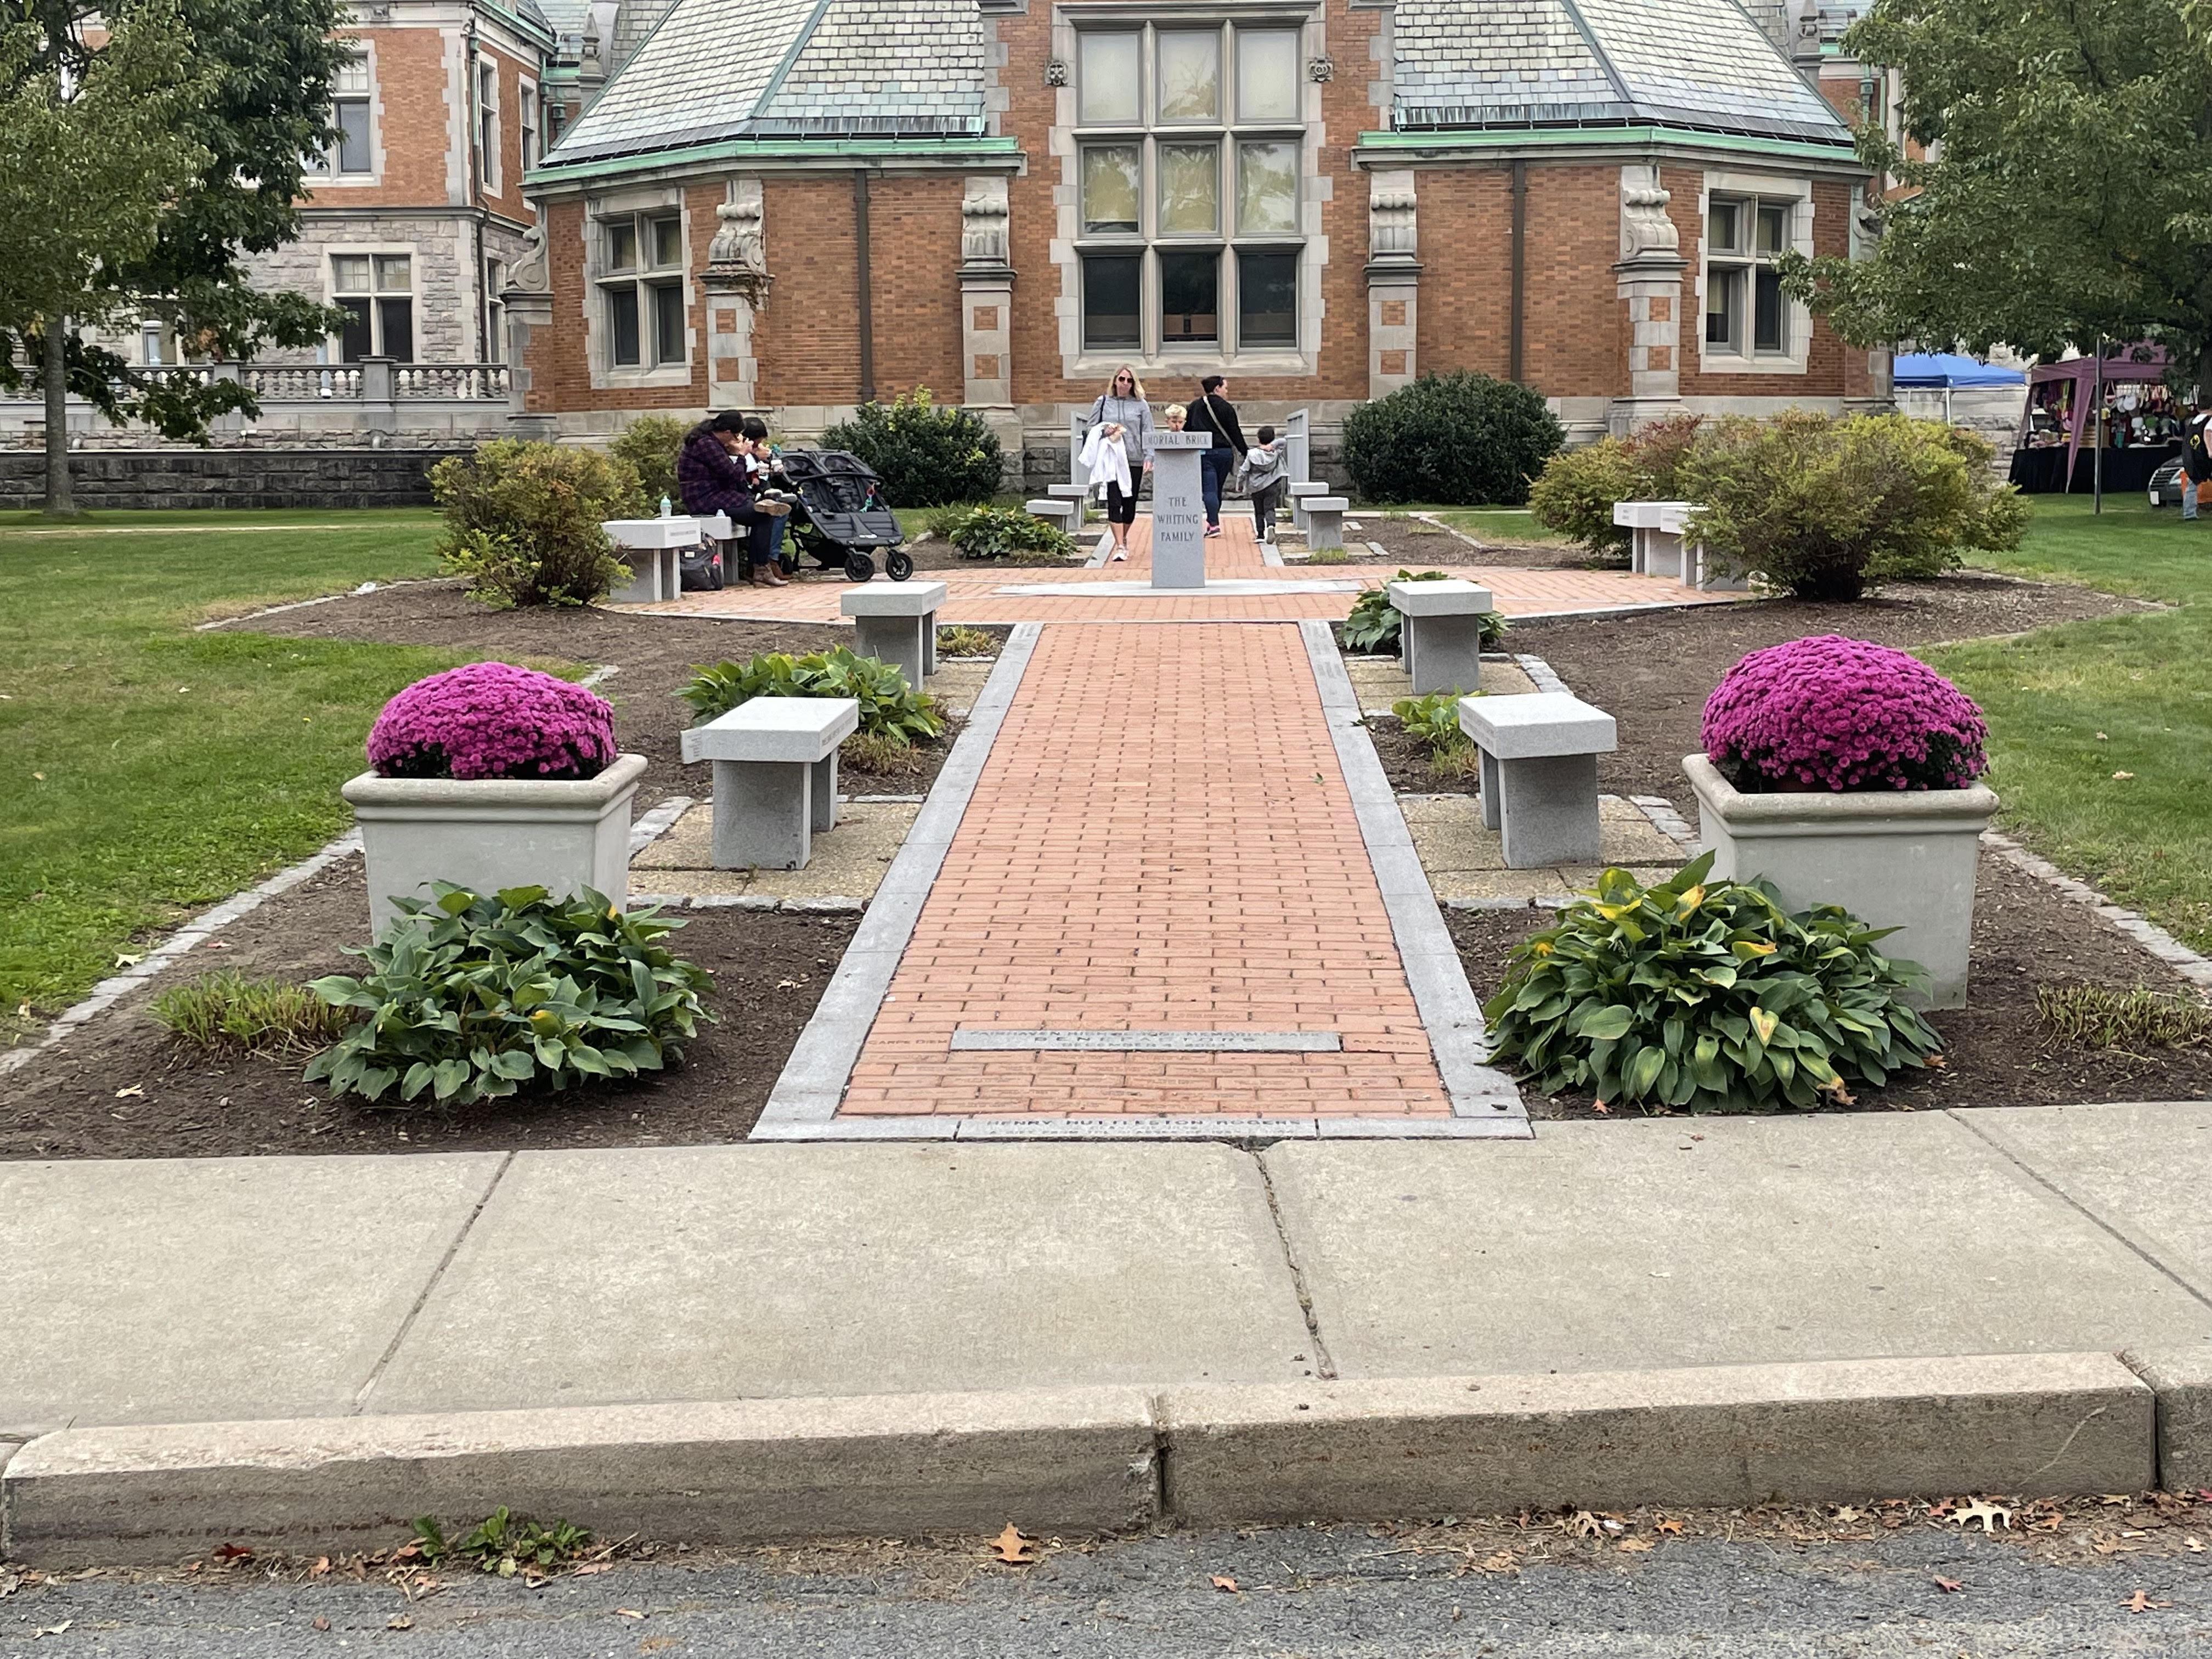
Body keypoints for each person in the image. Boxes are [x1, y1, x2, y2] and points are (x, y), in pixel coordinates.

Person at [676, 411, 789, 587]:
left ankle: (758, 569)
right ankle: (760, 571)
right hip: (705, 498)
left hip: (715, 494)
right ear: (727, 432)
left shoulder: (709, 442)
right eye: (736, 435)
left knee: (760, 511)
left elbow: (732, 476)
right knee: (763, 515)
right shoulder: (707, 445)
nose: (737, 439)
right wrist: (742, 455)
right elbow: (734, 476)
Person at [1082, 366, 1154, 561]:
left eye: (1129, 380)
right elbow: (1090, 428)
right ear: (1115, 380)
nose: (1125, 383)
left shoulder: (1141, 405)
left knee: (1130, 502)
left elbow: (1148, 431)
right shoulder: (1103, 402)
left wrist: (1149, 456)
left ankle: (1123, 537)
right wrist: (1103, 431)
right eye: (1122, 379)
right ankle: (1120, 546)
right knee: (1114, 501)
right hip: (1112, 459)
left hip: (1134, 459)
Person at [1182, 375, 1248, 538]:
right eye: (1225, 388)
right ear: (1217, 388)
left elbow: (1187, 430)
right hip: (1224, 454)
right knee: (1217, 488)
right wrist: (1246, 451)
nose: (1227, 391)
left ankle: (1213, 524)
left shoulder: (1195, 406)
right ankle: (1213, 521)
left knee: (1209, 489)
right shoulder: (1226, 408)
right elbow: (1235, 432)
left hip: (1204, 453)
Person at [738, 416, 795, 572]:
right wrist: (757, 458)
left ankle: (771, 559)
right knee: (774, 514)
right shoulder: (744, 454)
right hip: (749, 496)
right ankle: (769, 560)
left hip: (758, 493)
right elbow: (748, 476)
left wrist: (770, 468)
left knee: (780, 510)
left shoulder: (752, 454)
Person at [1244, 424, 1286, 545]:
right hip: (1272, 485)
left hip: (1256, 487)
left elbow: (1244, 470)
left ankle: (1260, 534)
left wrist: (1240, 483)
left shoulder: (1252, 454)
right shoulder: (1276, 452)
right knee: (1269, 508)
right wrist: (1273, 445)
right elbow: (1284, 441)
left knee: (1259, 511)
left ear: (1258, 439)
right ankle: (1271, 525)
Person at [2186, 404, 2211, 524]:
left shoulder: (2194, 422)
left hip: (2192, 455)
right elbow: (2208, 432)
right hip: (2205, 455)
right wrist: (2210, 450)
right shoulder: (2209, 420)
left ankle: (2189, 513)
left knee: (2192, 484)